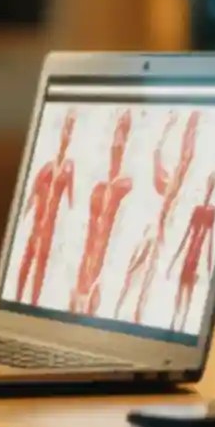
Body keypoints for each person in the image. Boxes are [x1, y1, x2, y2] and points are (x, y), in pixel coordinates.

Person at [115, 110, 199, 324]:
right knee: (134, 279)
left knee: (144, 282)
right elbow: (161, 153)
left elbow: (182, 156)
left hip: (158, 239)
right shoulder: (161, 180)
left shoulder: (172, 182)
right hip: (151, 234)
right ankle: (120, 313)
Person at [69, 108, 134, 316]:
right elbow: (86, 232)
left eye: (122, 134)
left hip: (105, 272)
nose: (116, 143)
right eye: (115, 135)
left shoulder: (127, 186)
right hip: (84, 270)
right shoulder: (98, 187)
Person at [14, 109, 77, 306]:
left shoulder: (69, 167)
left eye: (71, 128)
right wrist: (21, 223)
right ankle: (17, 300)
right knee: (28, 261)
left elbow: (71, 202)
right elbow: (30, 199)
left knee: (40, 265)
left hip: (49, 229)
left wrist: (66, 238)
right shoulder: (47, 167)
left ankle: (32, 303)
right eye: (66, 127)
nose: (67, 133)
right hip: (36, 227)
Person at [168, 171, 215, 332]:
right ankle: (174, 321)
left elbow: (210, 242)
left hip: (196, 260)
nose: (210, 187)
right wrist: (173, 261)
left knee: (188, 294)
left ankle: (181, 323)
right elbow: (186, 236)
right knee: (180, 291)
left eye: (213, 184)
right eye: (209, 183)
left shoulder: (211, 211)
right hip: (188, 258)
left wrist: (211, 270)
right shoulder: (198, 210)